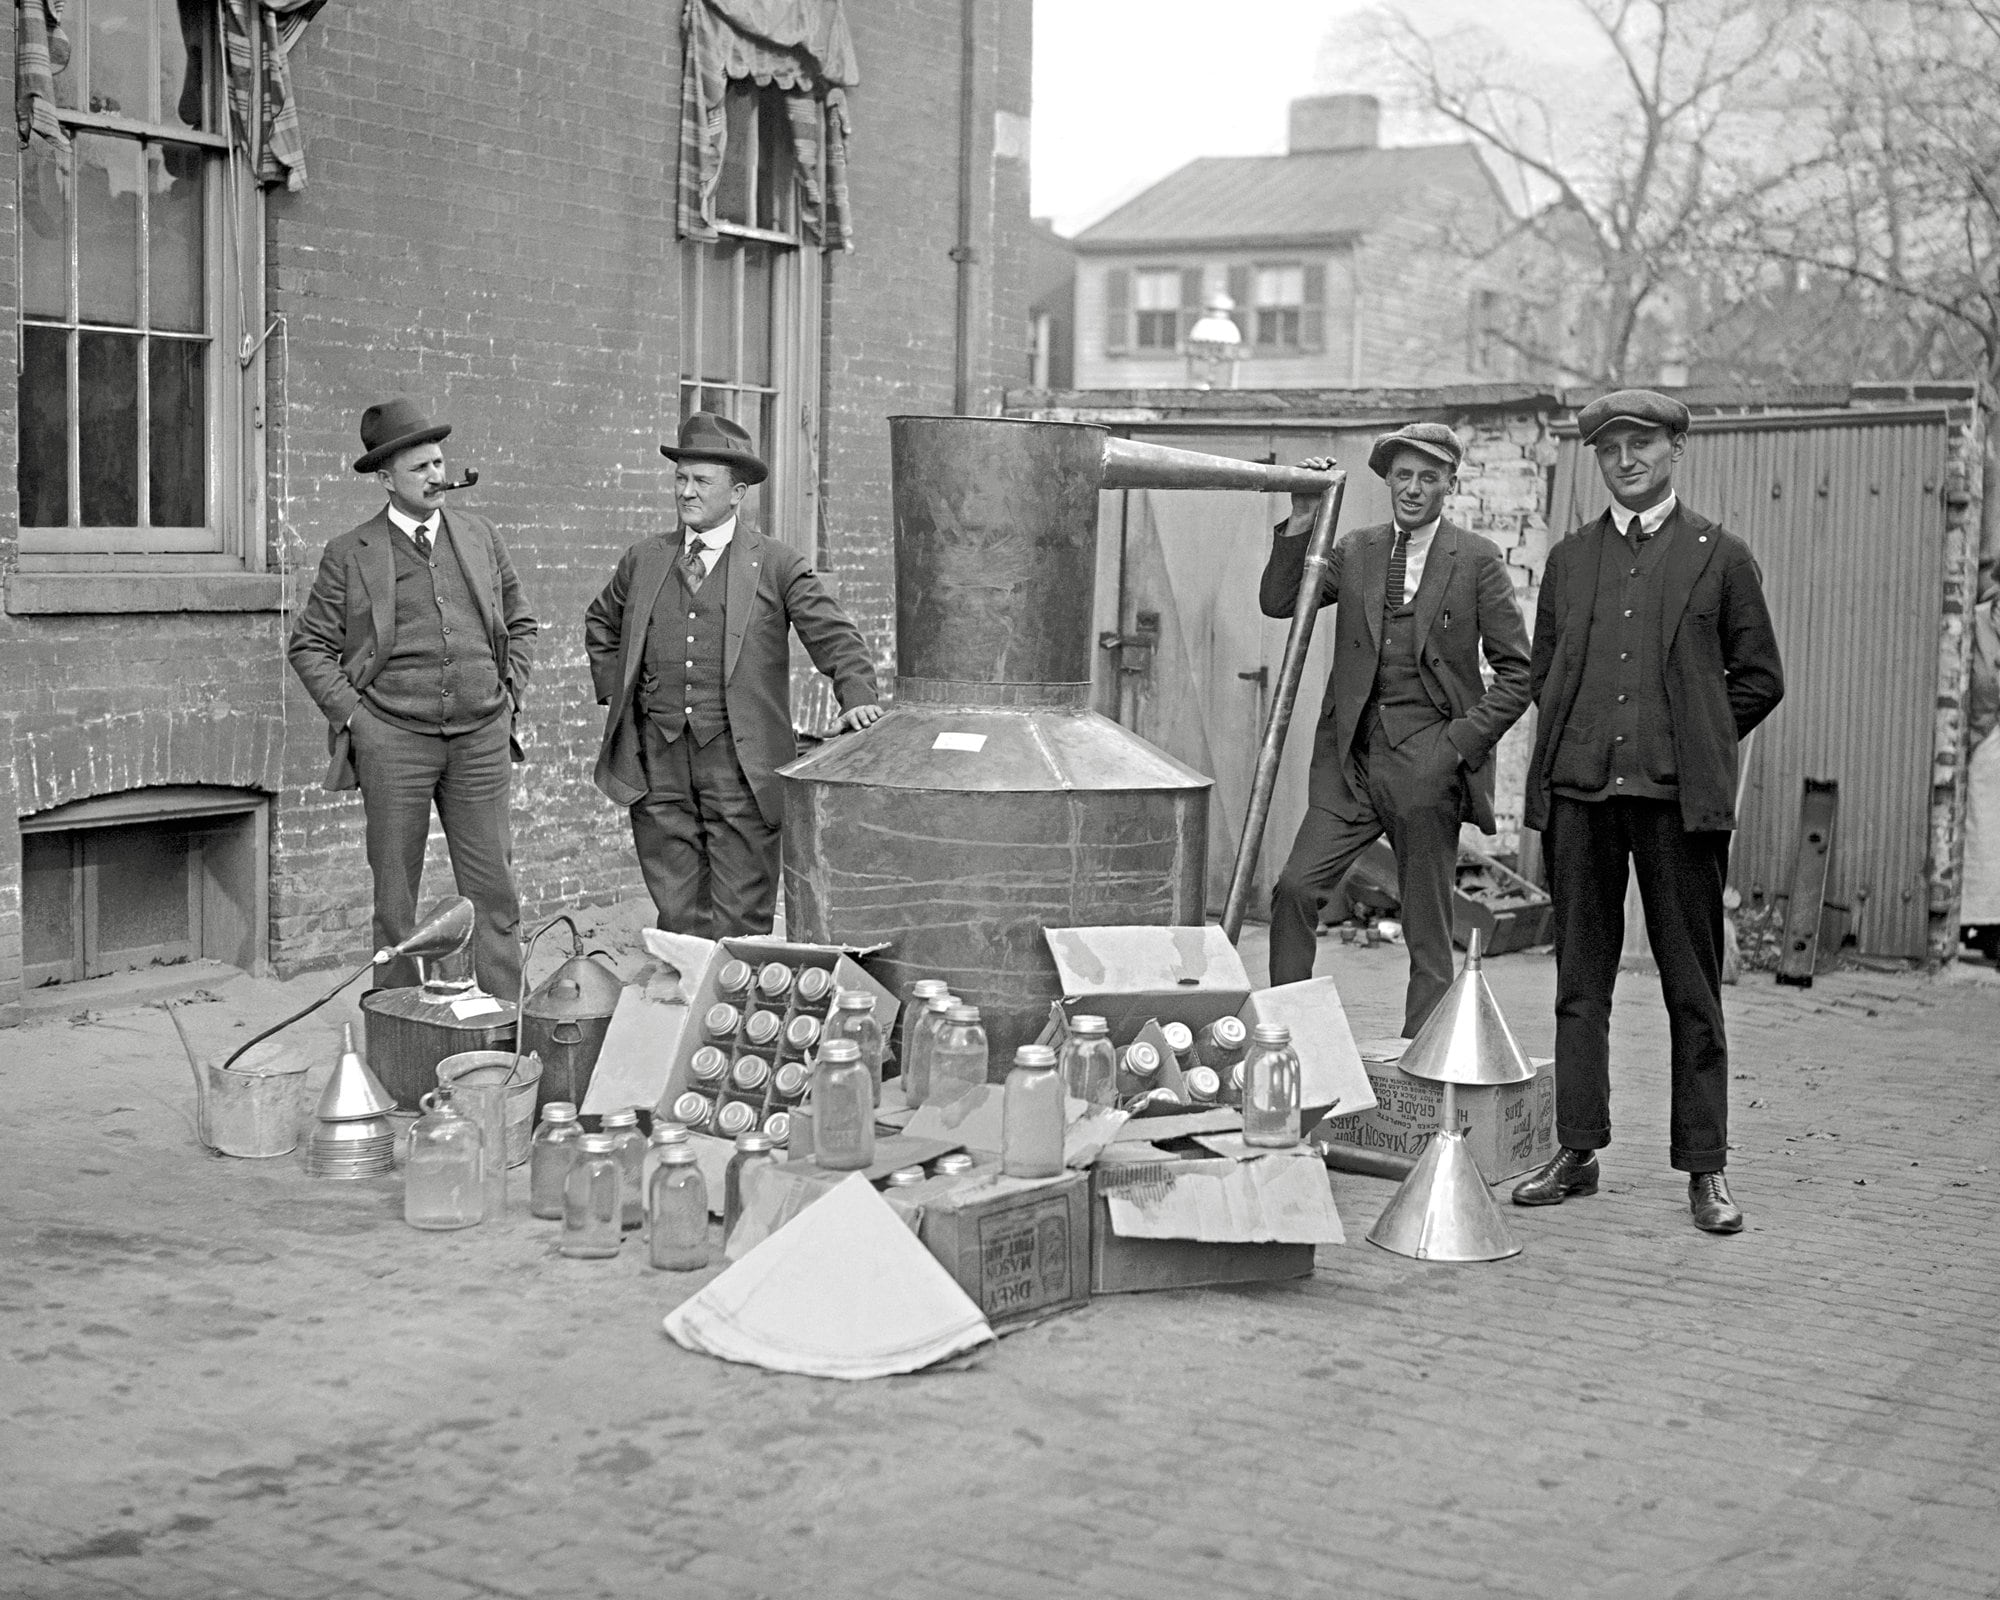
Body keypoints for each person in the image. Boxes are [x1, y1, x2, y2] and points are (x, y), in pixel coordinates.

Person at [1511, 389, 1784, 1234]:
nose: (1626, 461)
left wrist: (1697, 736)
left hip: (1676, 807)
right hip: (1582, 798)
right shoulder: (1570, 560)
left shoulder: (1721, 556)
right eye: (1610, 449)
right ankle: (1577, 1149)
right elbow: (1547, 673)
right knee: (1578, 986)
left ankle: (1705, 1168)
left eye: (1642, 445)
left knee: (1692, 990)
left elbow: (1760, 679)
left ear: (1675, 449)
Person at [1261, 422, 1533, 1036]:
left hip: (1428, 767)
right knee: (1295, 889)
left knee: (1427, 929)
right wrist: (1302, 516)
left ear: (1449, 485)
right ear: (1388, 480)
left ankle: (1422, 1063)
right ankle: (1289, 1039)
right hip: (1351, 767)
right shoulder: (1356, 550)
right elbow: (1280, 602)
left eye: (1428, 478)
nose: (1413, 489)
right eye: (1403, 475)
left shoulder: (1477, 560)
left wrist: (1456, 746)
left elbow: (1520, 674)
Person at [585, 412, 881, 938]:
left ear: (737, 492)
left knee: (742, 915)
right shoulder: (645, 559)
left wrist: (856, 694)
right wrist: (621, 694)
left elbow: (835, 636)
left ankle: (735, 991)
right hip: (659, 761)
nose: (686, 492)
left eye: (702, 481)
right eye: (681, 478)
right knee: (677, 909)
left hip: (741, 764)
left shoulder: (777, 564)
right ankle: (685, 982)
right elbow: (601, 622)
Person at [289, 398, 538, 996]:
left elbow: (521, 622)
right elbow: (309, 646)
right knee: (395, 901)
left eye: (438, 463)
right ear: (385, 480)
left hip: (480, 740)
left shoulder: (480, 536)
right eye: (419, 468)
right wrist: (358, 721)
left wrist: (508, 693)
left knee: (494, 891)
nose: (435, 476)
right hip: (394, 743)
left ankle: (505, 1018)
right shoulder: (350, 552)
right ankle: (398, 1020)